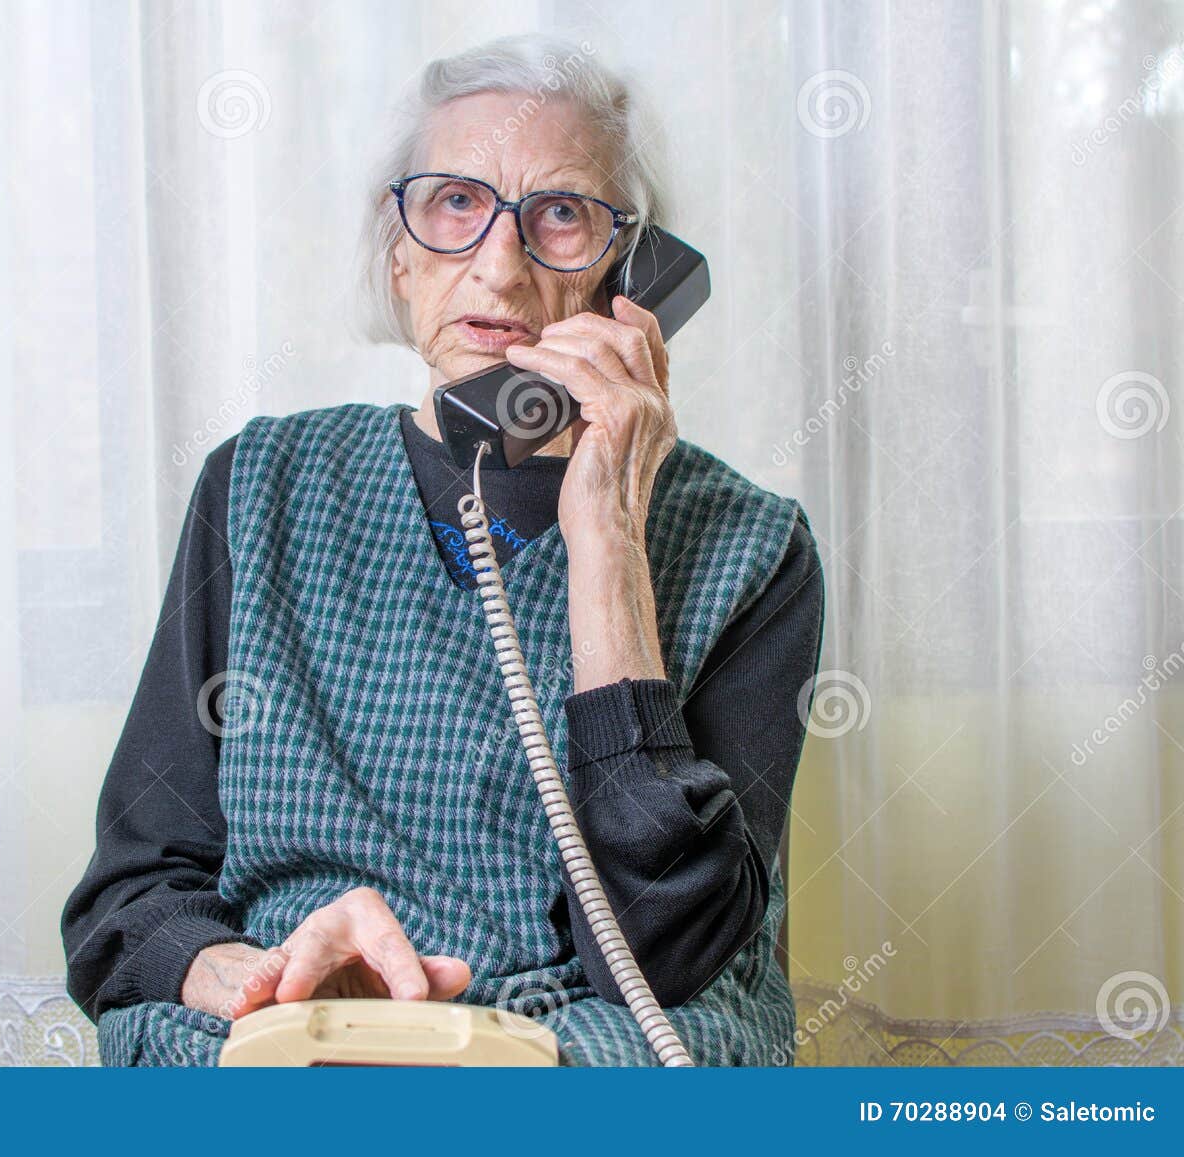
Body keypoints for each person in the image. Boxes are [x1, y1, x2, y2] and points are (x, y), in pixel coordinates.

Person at [62, 32, 825, 1066]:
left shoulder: (754, 546)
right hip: (297, 1018)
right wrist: (269, 983)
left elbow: (667, 954)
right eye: (456, 202)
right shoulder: (258, 483)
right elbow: (127, 904)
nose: (499, 265)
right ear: (399, 254)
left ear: (633, 276)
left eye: (562, 212)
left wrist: (608, 538)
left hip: (577, 1039)